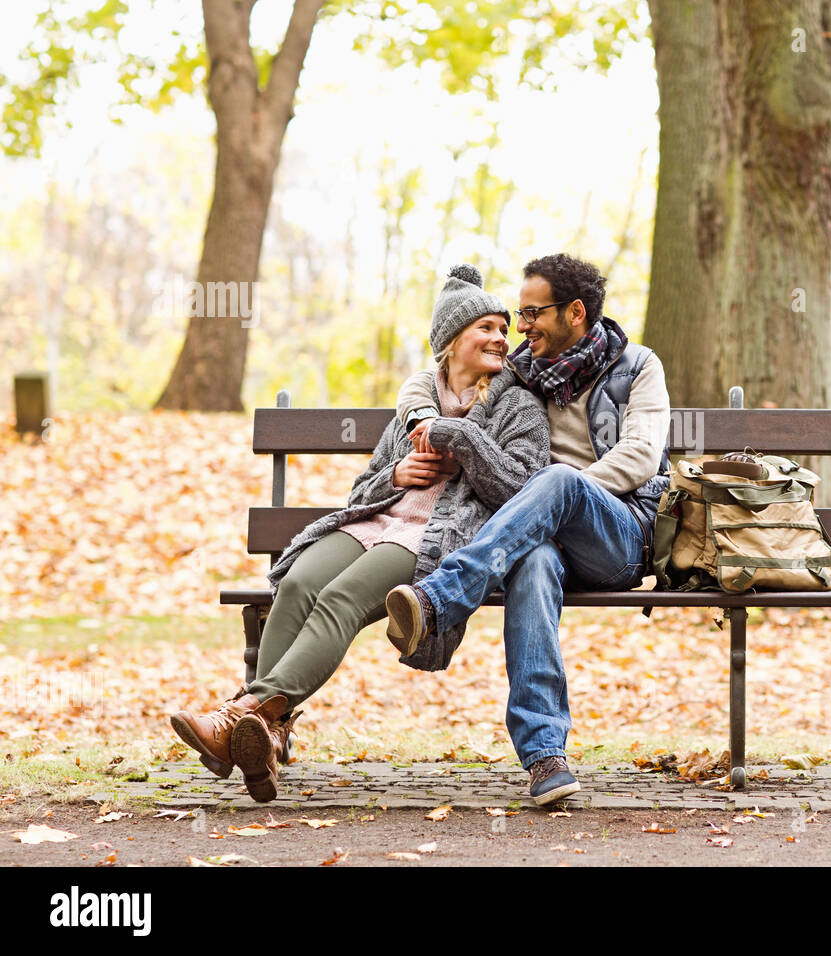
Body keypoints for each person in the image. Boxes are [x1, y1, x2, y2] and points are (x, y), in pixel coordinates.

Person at [169, 265, 549, 801]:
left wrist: (463, 438)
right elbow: (362, 487)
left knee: (340, 599)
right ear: (450, 341)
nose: (499, 338)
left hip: (438, 540)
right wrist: (395, 475)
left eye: (502, 329)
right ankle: (269, 735)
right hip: (378, 522)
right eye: (485, 328)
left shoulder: (518, 406)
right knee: (298, 583)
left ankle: (241, 715)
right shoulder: (414, 410)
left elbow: (524, 492)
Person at [385, 252, 671, 805]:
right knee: (535, 561)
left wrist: (567, 493)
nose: (521, 327)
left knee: (559, 482)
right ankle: (545, 758)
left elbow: (639, 457)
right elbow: (428, 375)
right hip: (538, 538)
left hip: (621, 533)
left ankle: (442, 596)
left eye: (532, 313)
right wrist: (423, 419)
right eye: (518, 315)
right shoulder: (522, 368)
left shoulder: (639, 367)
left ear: (576, 313)